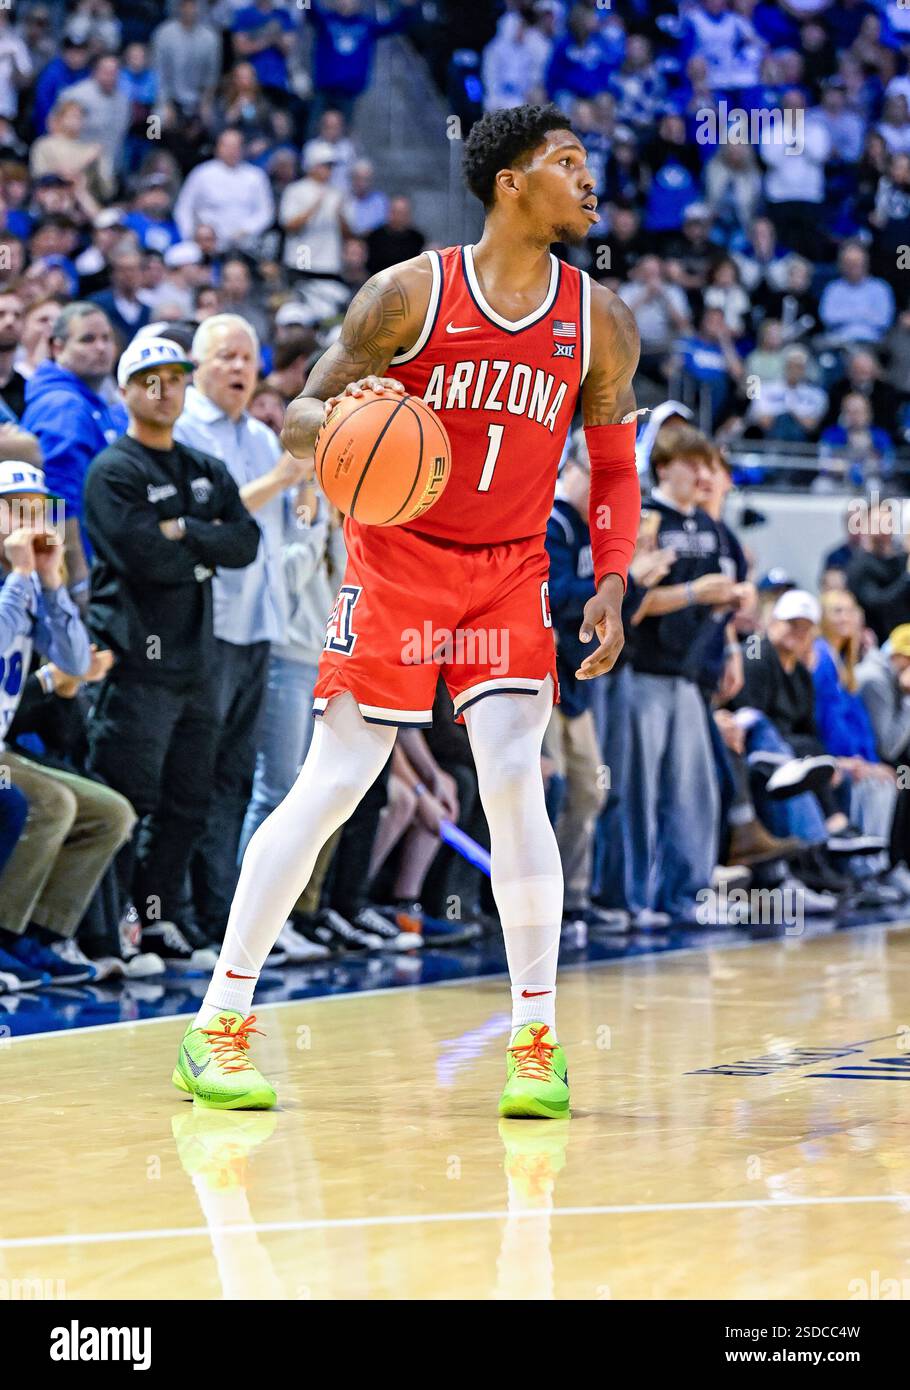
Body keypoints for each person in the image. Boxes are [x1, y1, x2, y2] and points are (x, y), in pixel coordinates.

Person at [174, 102, 642, 1119]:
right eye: (567, 161)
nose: (588, 179)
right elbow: (302, 410)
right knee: (337, 780)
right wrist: (348, 429)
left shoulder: (598, 318)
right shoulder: (409, 294)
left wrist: (611, 577)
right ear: (511, 182)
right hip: (397, 561)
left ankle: (535, 1040)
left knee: (514, 778)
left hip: (510, 570)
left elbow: (611, 468)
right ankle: (218, 1021)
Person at [84, 337, 261, 970]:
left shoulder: (202, 467)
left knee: (188, 802)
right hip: (135, 662)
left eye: (176, 379)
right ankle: (108, 933)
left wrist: (185, 531)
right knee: (129, 799)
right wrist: (200, 554)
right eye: (150, 380)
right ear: (125, 391)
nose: (165, 391)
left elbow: (245, 542)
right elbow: (144, 559)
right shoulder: (114, 471)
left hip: (197, 663)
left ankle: (158, 921)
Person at [172, 314, 306, 943]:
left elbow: (283, 527)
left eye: (248, 358)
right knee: (195, 777)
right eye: (225, 356)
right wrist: (280, 480)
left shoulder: (258, 435)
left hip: (261, 624)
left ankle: (229, 916)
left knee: (236, 778)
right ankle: (182, 913)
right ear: (197, 366)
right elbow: (210, 522)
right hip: (209, 624)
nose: (238, 368)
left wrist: (307, 490)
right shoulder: (182, 430)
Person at [0, 458, 136, 989]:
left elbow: (76, 662)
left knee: (111, 813)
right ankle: (5, 938)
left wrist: (53, 582)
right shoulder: (15, 581)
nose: (31, 523)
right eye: (16, 510)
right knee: (49, 803)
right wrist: (21, 577)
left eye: (39, 511)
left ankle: (40, 935)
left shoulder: (31, 580)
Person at [20, 302, 126, 605]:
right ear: (57, 346)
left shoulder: (90, 402)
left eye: (106, 338)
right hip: (81, 576)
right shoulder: (64, 406)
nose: (101, 348)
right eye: (87, 339)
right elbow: (54, 498)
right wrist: (75, 577)